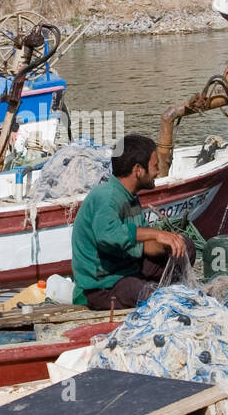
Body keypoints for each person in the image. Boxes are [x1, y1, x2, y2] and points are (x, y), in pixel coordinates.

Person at [71, 133, 195, 310]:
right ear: (138, 170)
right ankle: (159, 296)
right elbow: (107, 235)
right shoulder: (107, 196)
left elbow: (144, 245)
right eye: (154, 166)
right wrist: (157, 233)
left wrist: (171, 242)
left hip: (131, 269)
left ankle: (164, 293)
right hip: (104, 286)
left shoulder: (130, 197)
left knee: (185, 247)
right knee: (142, 292)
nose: (158, 172)